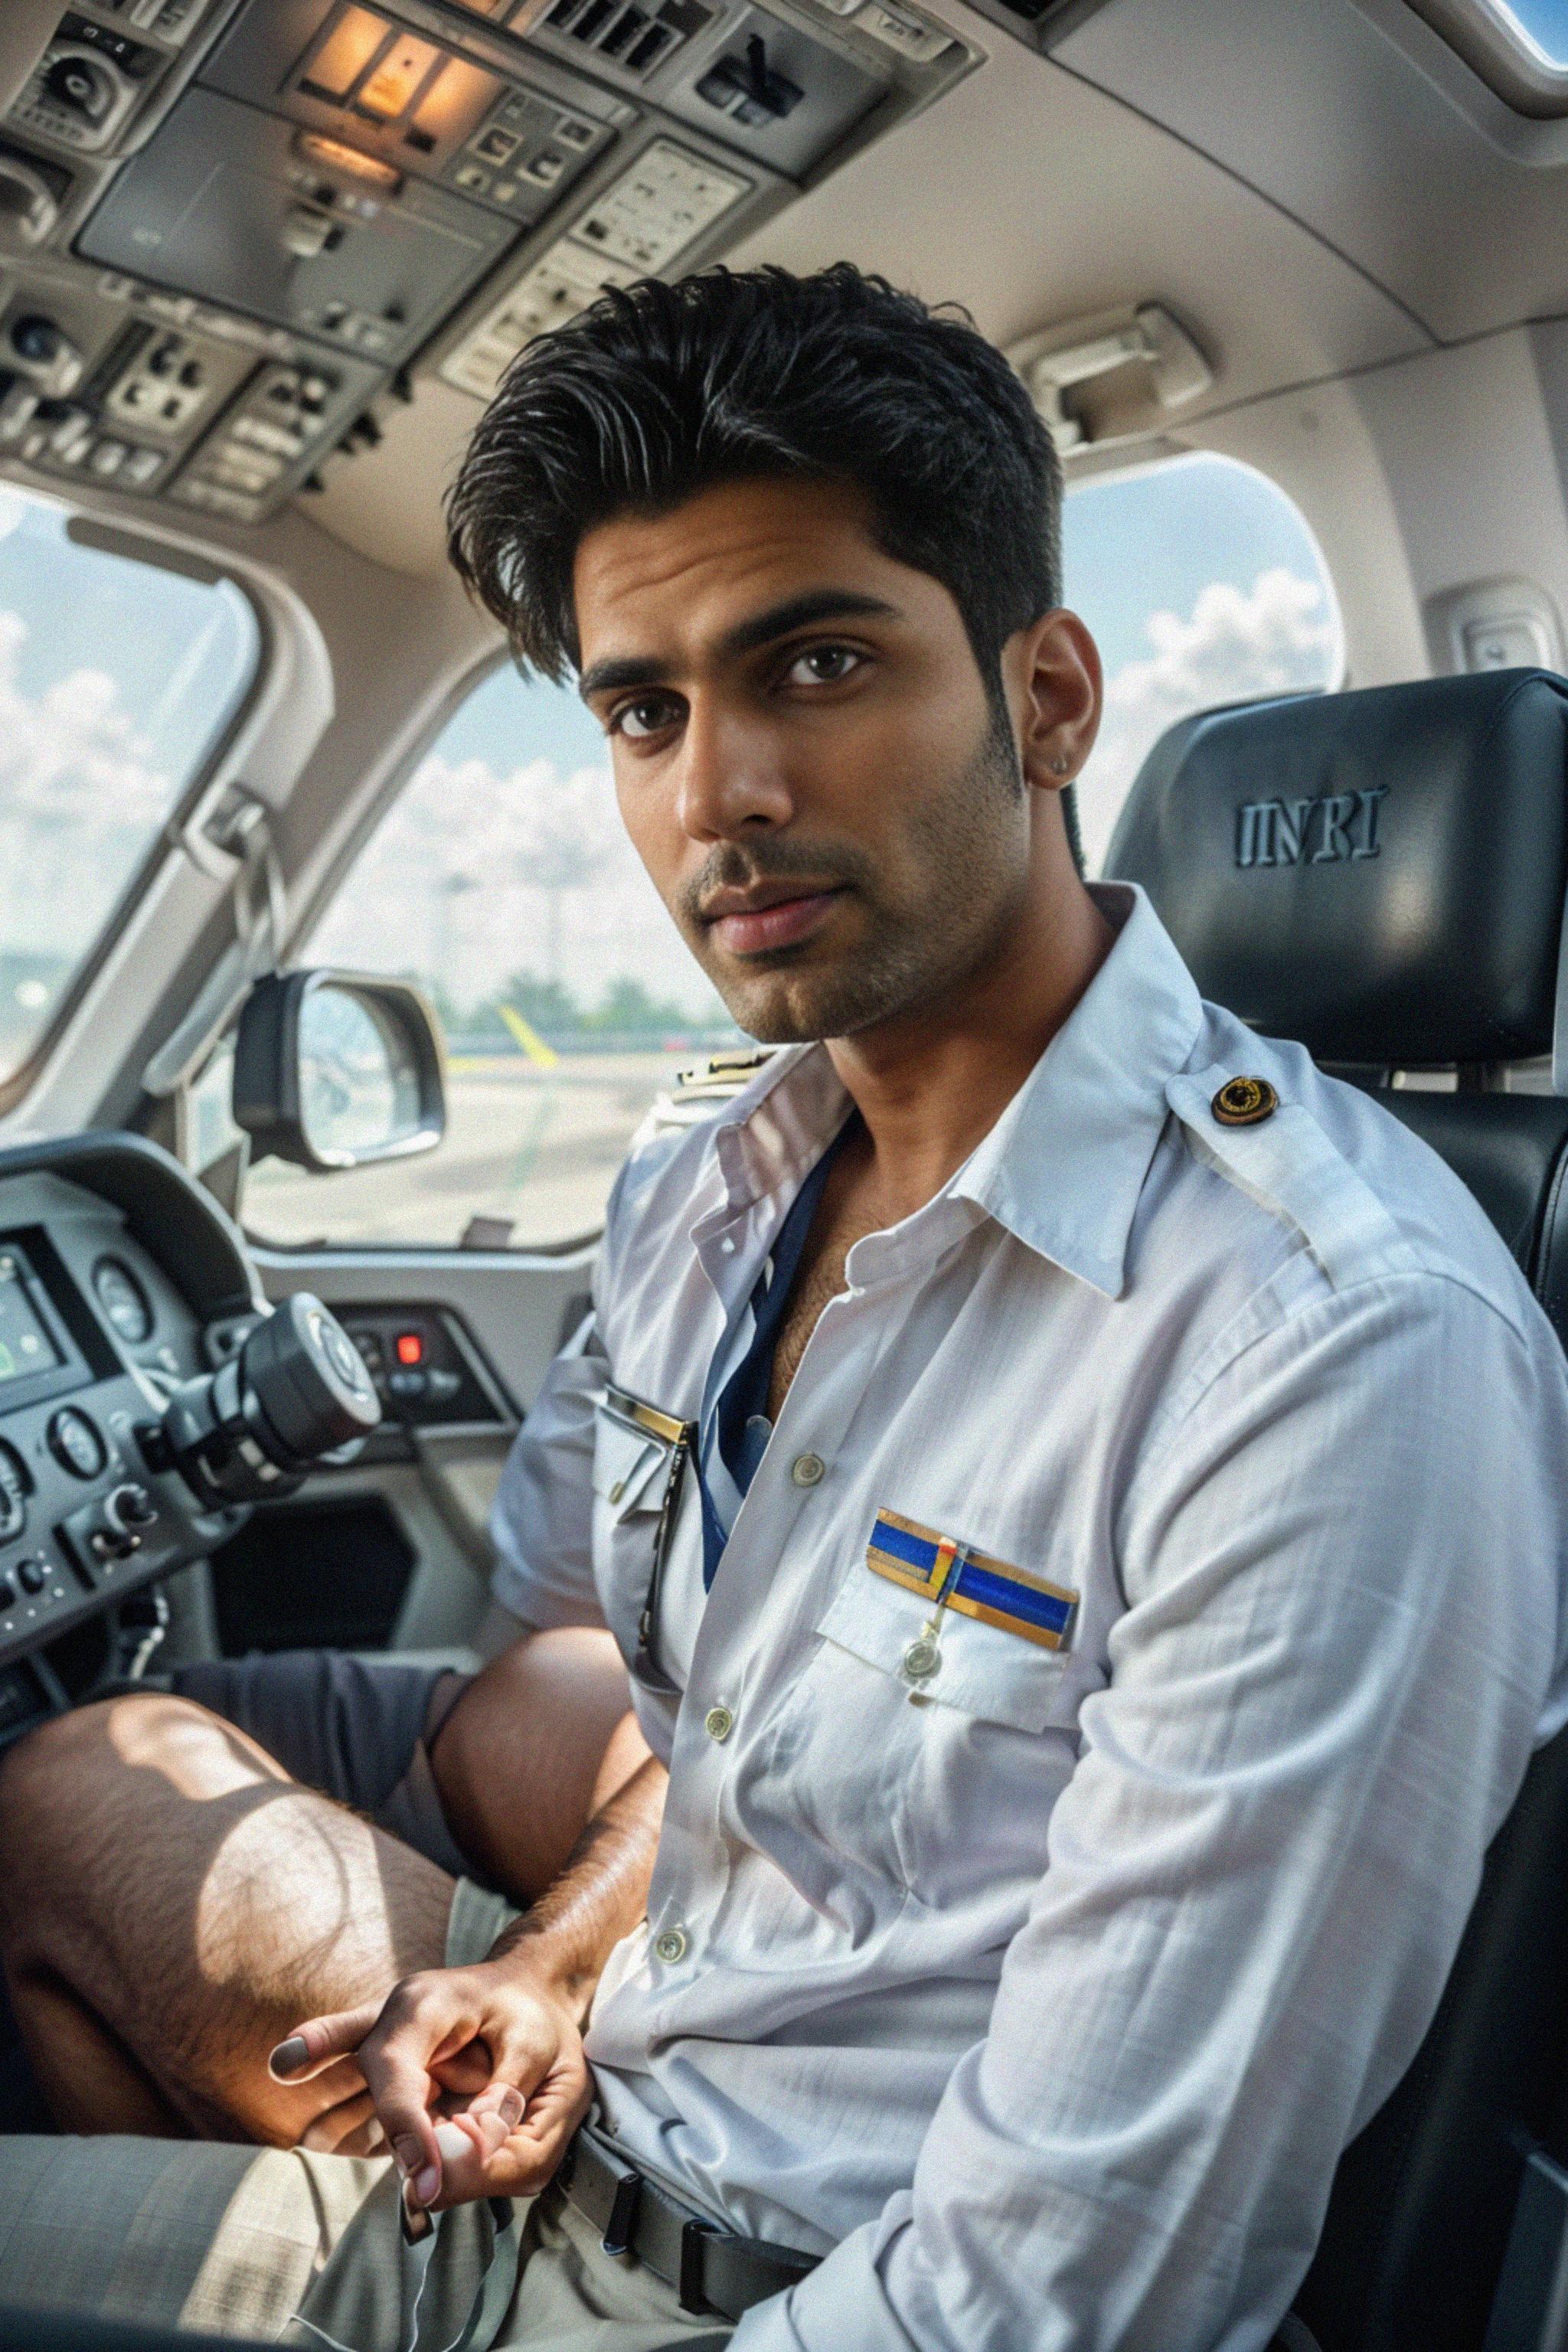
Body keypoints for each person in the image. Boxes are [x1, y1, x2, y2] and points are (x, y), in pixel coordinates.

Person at [0, 260, 1562, 2352]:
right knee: (71, 1808)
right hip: (606, 2093)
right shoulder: (702, 1184)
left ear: (1051, 698)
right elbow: (721, 1750)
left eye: (814, 663)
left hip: (794, 2303)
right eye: (643, 709)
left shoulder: (1330, 1345)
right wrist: (555, 1963)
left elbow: (1073, 2296)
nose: (714, 790)